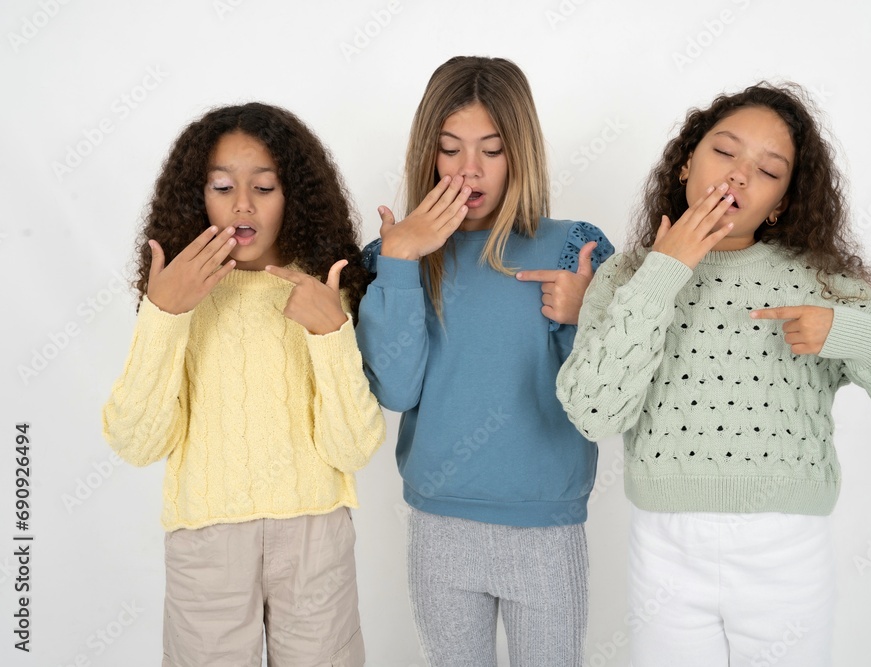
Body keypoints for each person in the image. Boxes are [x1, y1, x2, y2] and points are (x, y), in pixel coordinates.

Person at [556, 83, 871, 666]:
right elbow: (592, 412)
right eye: (724, 152)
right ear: (685, 163)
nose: (738, 176)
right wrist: (663, 274)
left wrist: (850, 331)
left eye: (768, 170)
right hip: (665, 552)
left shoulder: (823, 280)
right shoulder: (627, 275)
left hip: (786, 554)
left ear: (781, 203)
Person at [102, 102, 384, 667]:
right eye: (223, 186)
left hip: (314, 533)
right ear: (197, 195)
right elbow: (135, 443)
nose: (243, 205)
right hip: (206, 536)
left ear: (294, 195)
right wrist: (163, 315)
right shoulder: (179, 293)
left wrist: (332, 334)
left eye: (265, 186)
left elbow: (352, 447)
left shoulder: (325, 288)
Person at [355, 56, 614, 666]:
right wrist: (399, 262)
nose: (469, 171)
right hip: (439, 527)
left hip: (546, 528)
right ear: (429, 153)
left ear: (520, 152)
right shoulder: (398, 255)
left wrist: (586, 316)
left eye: (492, 150)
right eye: (450, 149)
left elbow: (603, 401)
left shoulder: (575, 246)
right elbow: (394, 387)